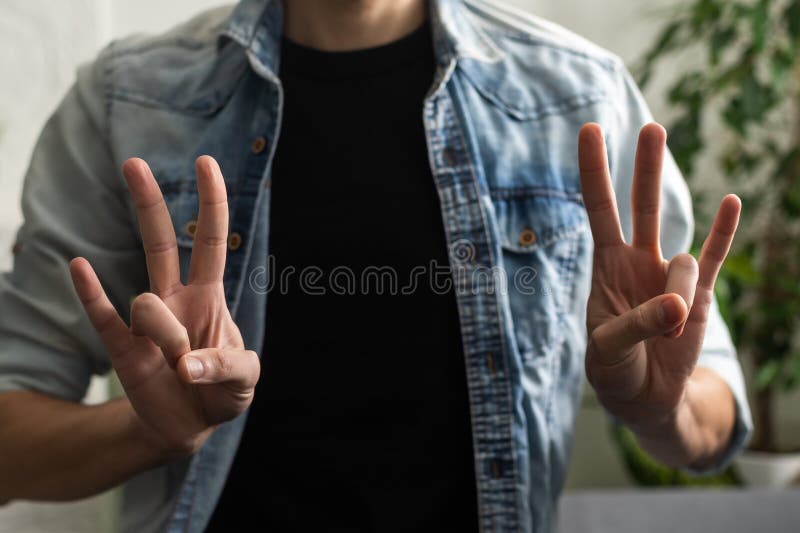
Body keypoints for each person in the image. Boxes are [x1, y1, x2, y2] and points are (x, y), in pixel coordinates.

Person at [0, 0, 752, 532]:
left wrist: (661, 409)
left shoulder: (577, 96)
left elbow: (712, 408)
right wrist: (148, 431)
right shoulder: (128, 101)